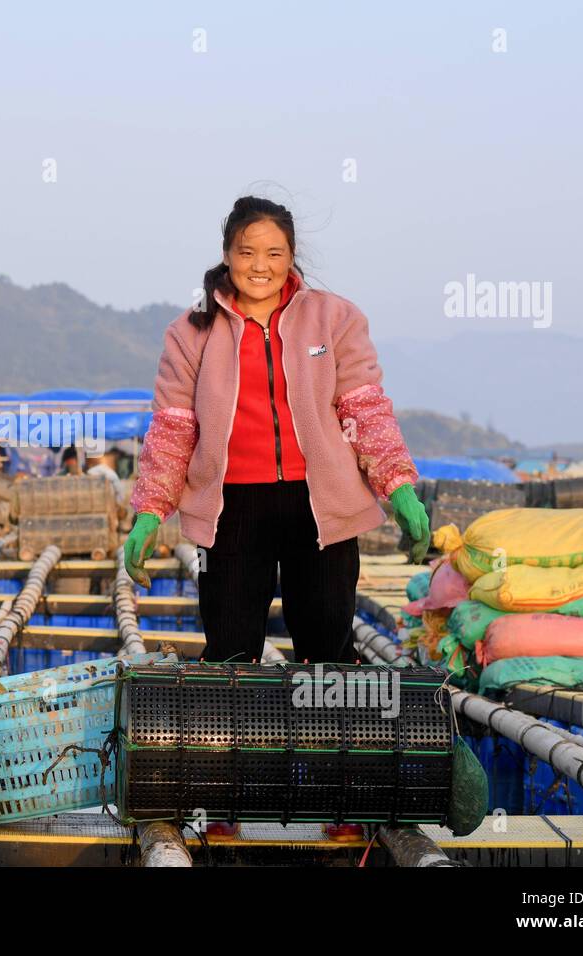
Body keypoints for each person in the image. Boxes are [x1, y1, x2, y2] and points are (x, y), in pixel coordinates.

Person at [125, 196, 430, 667]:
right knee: (231, 651)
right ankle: (234, 740)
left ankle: (328, 737)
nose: (260, 266)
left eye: (274, 254)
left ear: (291, 257)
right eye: (247, 252)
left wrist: (400, 488)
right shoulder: (190, 332)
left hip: (320, 505)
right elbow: (173, 430)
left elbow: (365, 411)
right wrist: (150, 510)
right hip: (231, 510)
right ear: (227, 255)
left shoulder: (334, 318)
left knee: (328, 648)